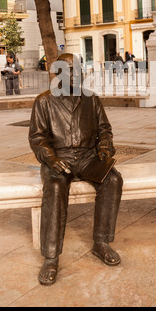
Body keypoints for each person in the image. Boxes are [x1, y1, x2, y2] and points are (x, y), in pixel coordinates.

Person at [28, 53, 123, 286]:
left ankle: (101, 242)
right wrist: (50, 159)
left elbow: (105, 129)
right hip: (59, 159)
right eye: (70, 69)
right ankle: (51, 257)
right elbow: (37, 138)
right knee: (56, 188)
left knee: (112, 180)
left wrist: (104, 147)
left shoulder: (92, 99)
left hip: (88, 158)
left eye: (78, 69)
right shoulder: (44, 101)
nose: (75, 73)